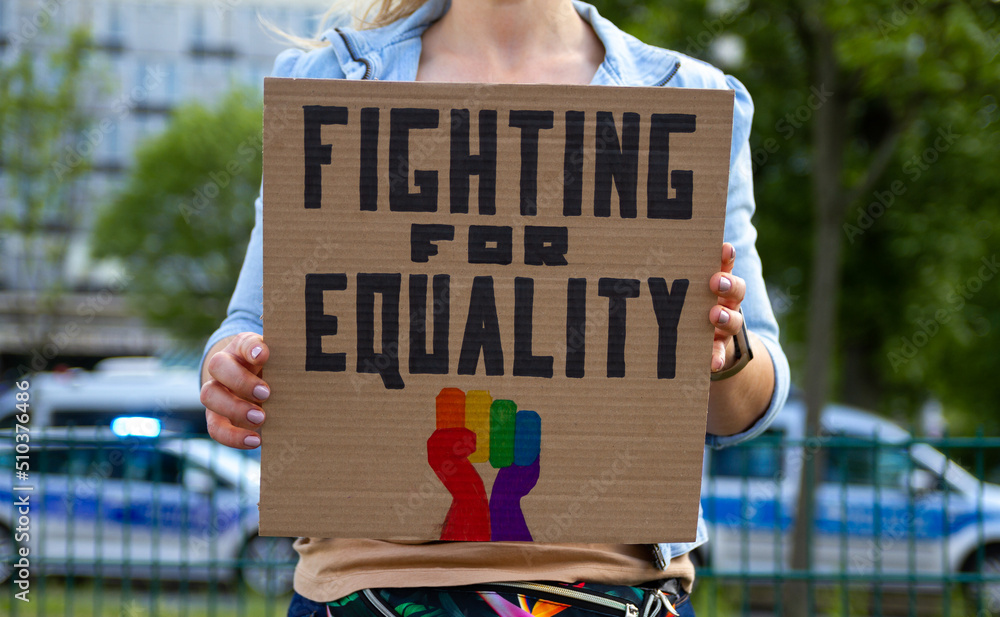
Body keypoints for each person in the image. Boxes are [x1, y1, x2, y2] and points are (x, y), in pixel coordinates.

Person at [199, 1, 791, 615]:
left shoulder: (686, 97)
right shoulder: (329, 84)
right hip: (365, 587)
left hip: (612, 589)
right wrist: (230, 371)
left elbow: (749, 404)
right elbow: (248, 327)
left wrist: (721, 353)